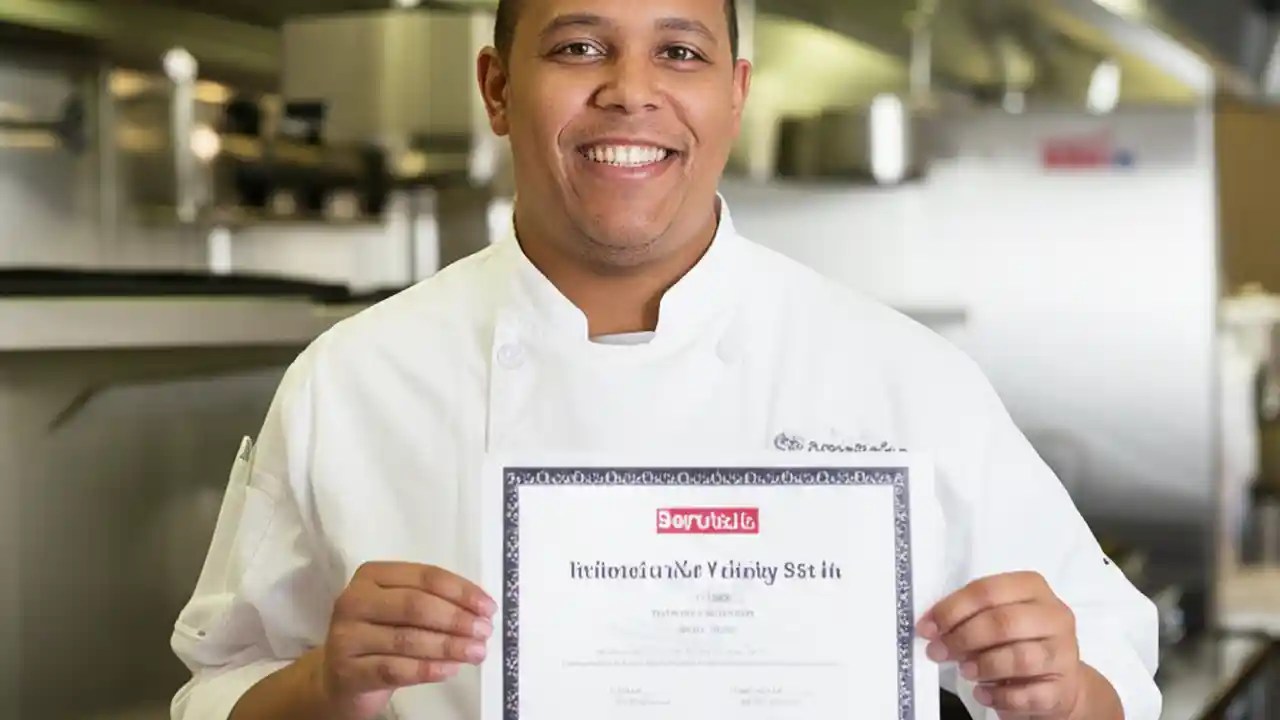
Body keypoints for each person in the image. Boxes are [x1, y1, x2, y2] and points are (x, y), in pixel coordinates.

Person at [170, 0, 1161, 718]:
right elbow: (216, 689)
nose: (630, 90)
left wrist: (1062, 688)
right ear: (497, 88)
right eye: (578, 45)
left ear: (733, 96)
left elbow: (1111, 655)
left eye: (678, 50)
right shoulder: (353, 381)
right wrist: (327, 685)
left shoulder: (900, 375)